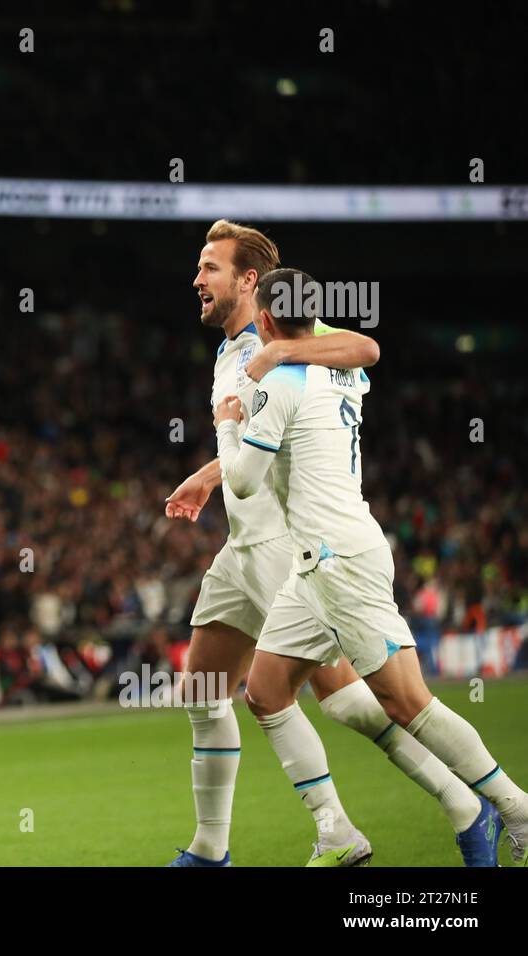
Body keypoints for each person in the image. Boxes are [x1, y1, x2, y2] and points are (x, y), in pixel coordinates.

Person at [164, 220, 477, 867]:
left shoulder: (288, 340)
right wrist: (208, 472)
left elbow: (363, 348)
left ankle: (457, 804)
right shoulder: (230, 351)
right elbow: (255, 443)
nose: (196, 279)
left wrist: (285, 354)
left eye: (210, 268)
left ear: (249, 281)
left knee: (351, 701)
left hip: (289, 544)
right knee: (202, 691)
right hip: (243, 545)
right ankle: (209, 849)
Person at [214, 266, 523, 867]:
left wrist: (229, 426)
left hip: (340, 559)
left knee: (409, 702)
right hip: (317, 562)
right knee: (267, 690)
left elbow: (245, 483)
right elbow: (362, 348)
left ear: (268, 319)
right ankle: (337, 833)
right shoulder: (338, 367)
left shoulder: (275, 384)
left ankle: (515, 806)